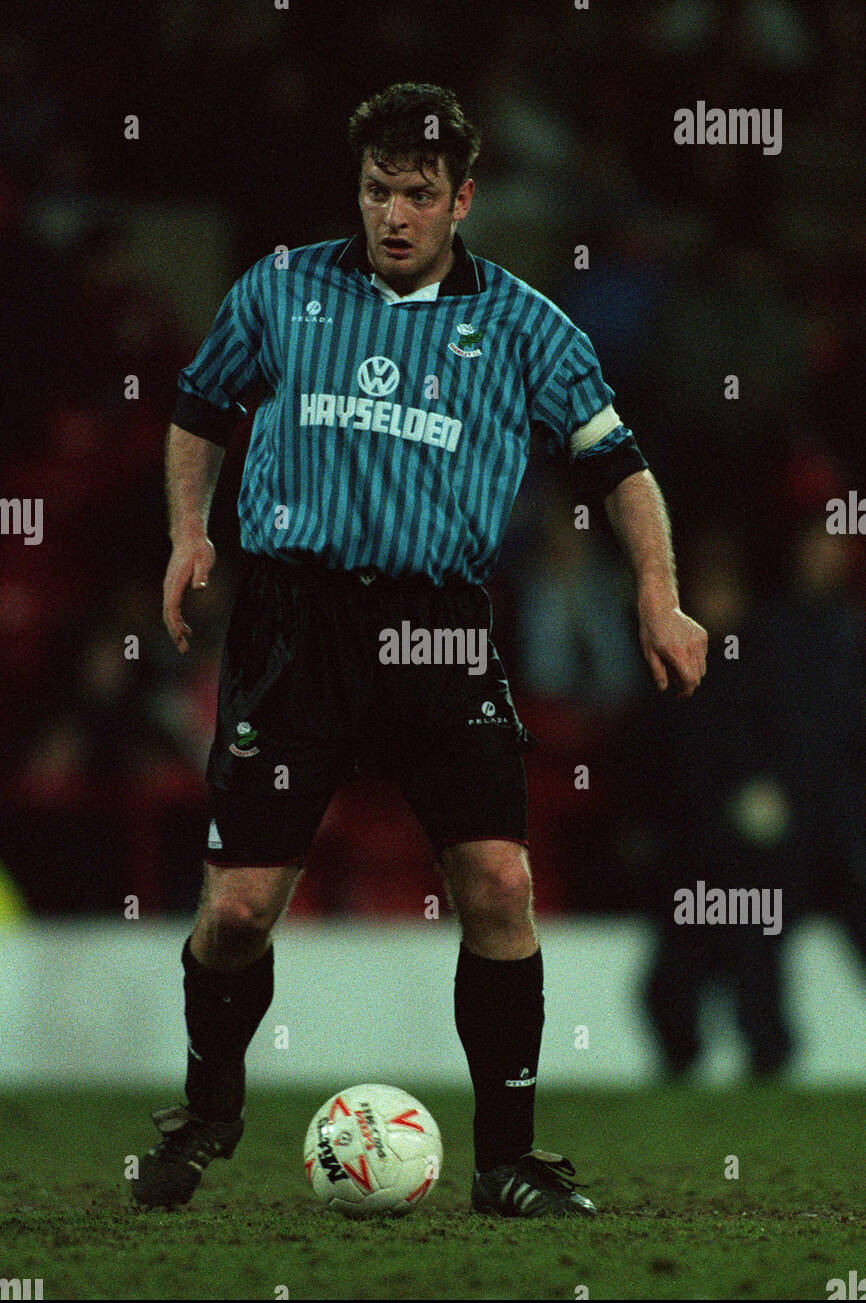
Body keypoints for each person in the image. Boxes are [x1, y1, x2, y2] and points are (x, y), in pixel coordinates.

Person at [132, 82, 707, 1218]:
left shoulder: (528, 327)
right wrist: (189, 531)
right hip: (296, 625)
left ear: (462, 199)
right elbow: (199, 411)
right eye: (376, 190)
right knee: (239, 908)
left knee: (497, 883)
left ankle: (505, 1162)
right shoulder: (282, 288)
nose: (392, 214)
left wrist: (659, 595)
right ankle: (205, 1115)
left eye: (417, 195)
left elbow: (618, 468)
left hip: (440, 629)